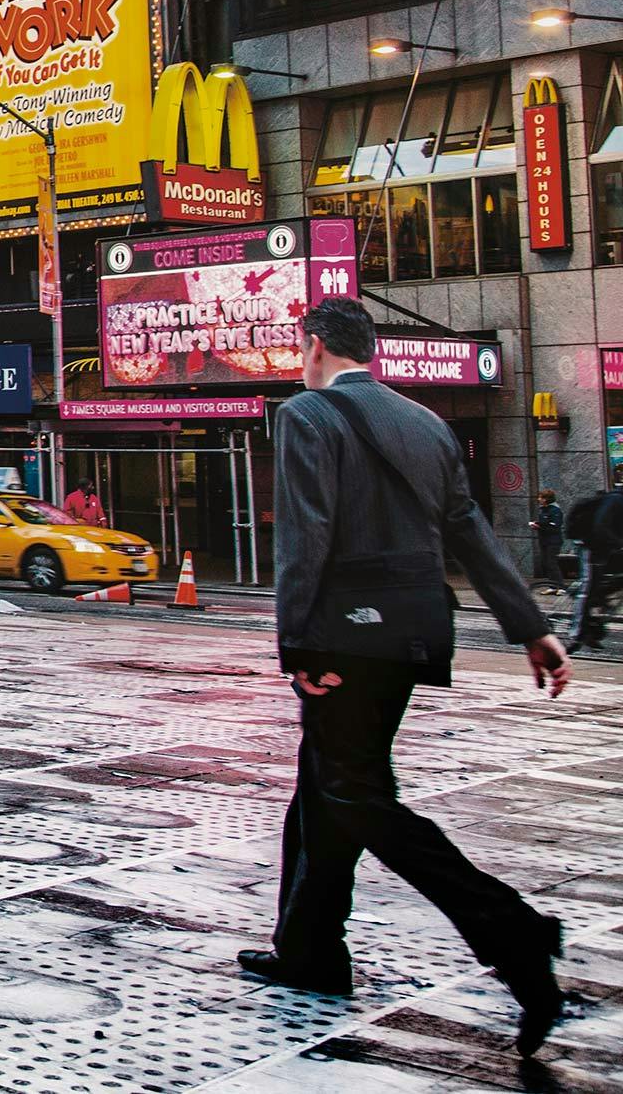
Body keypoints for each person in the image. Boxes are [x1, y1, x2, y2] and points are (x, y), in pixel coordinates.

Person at [244, 296, 570, 1056]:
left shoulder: (306, 416)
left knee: (356, 795)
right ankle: (309, 951)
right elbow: (470, 530)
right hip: (414, 631)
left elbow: (306, 535)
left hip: (344, 638)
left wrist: (298, 646)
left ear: (315, 345)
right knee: (325, 788)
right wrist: (531, 627)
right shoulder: (425, 422)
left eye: (300, 346)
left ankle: (516, 933)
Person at [566, 487, 621, 649]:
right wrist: (618, 542)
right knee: (587, 588)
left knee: (605, 584)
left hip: (605, 548)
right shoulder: (616, 500)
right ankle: (577, 632)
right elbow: (600, 526)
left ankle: (595, 614)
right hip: (590, 546)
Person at [534, 489, 565, 591]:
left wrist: (539, 527)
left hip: (553, 541)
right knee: (547, 563)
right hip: (544, 540)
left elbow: (555, 527)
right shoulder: (543, 510)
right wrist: (537, 524)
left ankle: (560, 587)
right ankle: (553, 586)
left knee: (552, 564)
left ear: (546, 499)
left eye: (541, 497)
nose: (539, 499)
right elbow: (546, 523)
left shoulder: (555, 510)